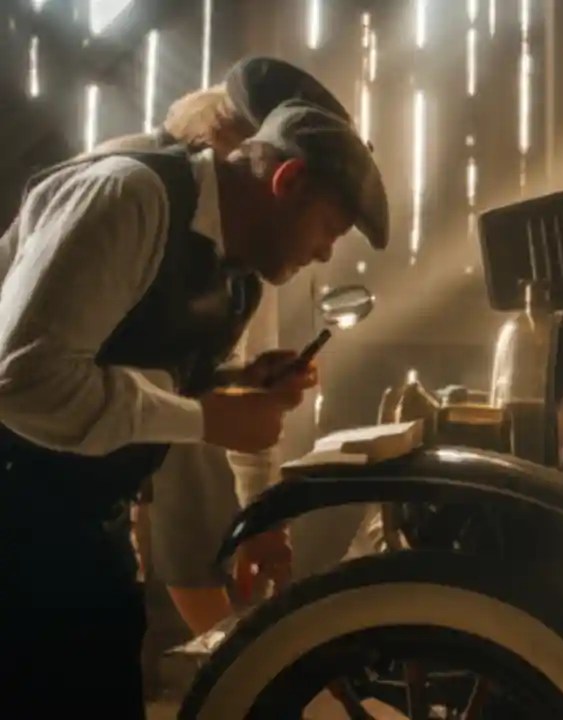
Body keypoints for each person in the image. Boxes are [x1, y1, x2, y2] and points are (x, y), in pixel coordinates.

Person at [0, 98, 388, 715]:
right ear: (286, 181)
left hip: (85, 516)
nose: (323, 255)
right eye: (328, 231)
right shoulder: (129, 196)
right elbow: (23, 381)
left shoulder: (239, 275)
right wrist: (211, 419)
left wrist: (235, 384)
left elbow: (139, 375)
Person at [93, 57, 355, 638]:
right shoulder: (129, 194)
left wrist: (237, 385)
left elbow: (199, 396)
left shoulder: (243, 254)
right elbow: (172, 412)